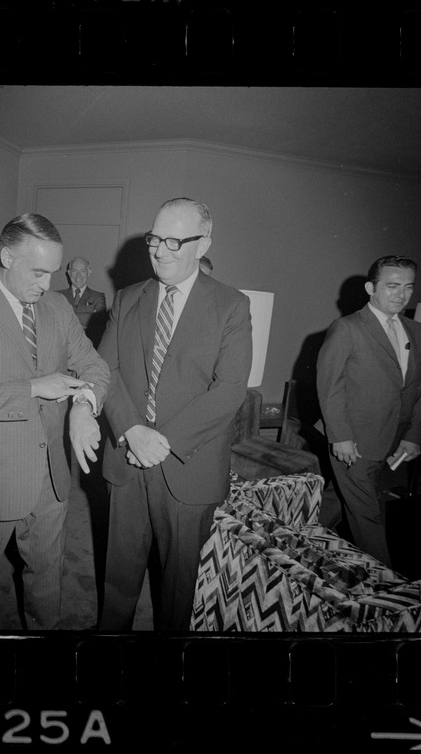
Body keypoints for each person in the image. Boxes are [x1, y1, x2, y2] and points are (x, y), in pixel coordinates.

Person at [0, 213, 110, 630]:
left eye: (52, 272)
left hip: (52, 472)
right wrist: (33, 387)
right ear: (7, 256)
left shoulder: (57, 306)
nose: (47, 284)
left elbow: (94, 366)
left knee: (47, 574)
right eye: (38, 272)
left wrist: (83, 405)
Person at [97, 197, 252, 632]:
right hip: (127, 458)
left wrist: (160, 441)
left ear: (203, 245)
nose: (159, 251)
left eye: (173, 241)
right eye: (154, 239)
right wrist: (132, 430)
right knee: (118, 578)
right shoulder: (128, 298)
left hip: (189, 465)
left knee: (178, 588)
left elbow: (230, 389)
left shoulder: (231, 305)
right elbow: (104, 368)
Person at [316, 255, 421, 567]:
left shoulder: (417, 331)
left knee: (340, 498)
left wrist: (412, 436)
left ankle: (296, 536)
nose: (401, 294)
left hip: (390, 439)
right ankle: (384, 582)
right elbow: (330, 387)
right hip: (353, 440)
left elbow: (420, 388)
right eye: (392, 286)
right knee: (368, 513)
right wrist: (340, 437)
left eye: (408, 287)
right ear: (371, 288)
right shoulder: (347, 328)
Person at [58, 256, 107, 346]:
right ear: (69, 273)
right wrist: (87, 317)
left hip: (88, 346)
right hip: (62, 347)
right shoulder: (58, 296)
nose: (78, 275)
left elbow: (98, 325)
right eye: (74, 271)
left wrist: (66, 319)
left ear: (89, 272)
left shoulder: (98, 297)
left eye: (82, 271)